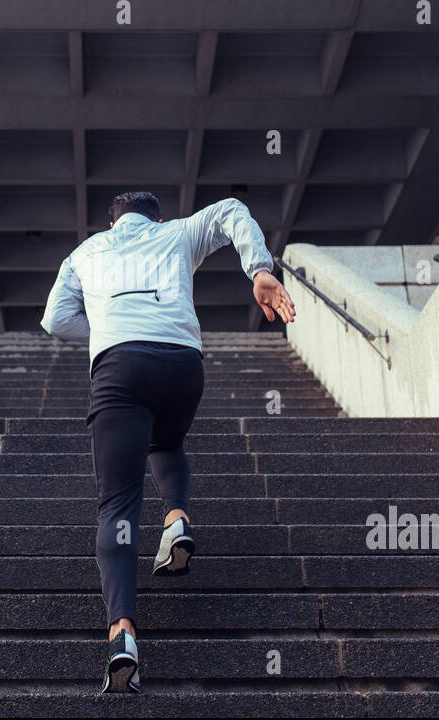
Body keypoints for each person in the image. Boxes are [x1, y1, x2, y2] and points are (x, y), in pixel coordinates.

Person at [39, 191, 296, 693]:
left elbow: (54, 320)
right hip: (182, 363)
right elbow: (230, 211)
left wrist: (106, 324)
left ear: (112, 222)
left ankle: (122, 635)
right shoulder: (176, 232)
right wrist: (259, 270)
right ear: (155, 216)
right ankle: (176, 520)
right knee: (167, 442)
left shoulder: (85, 253)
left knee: (117, 503)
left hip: (121, 366)